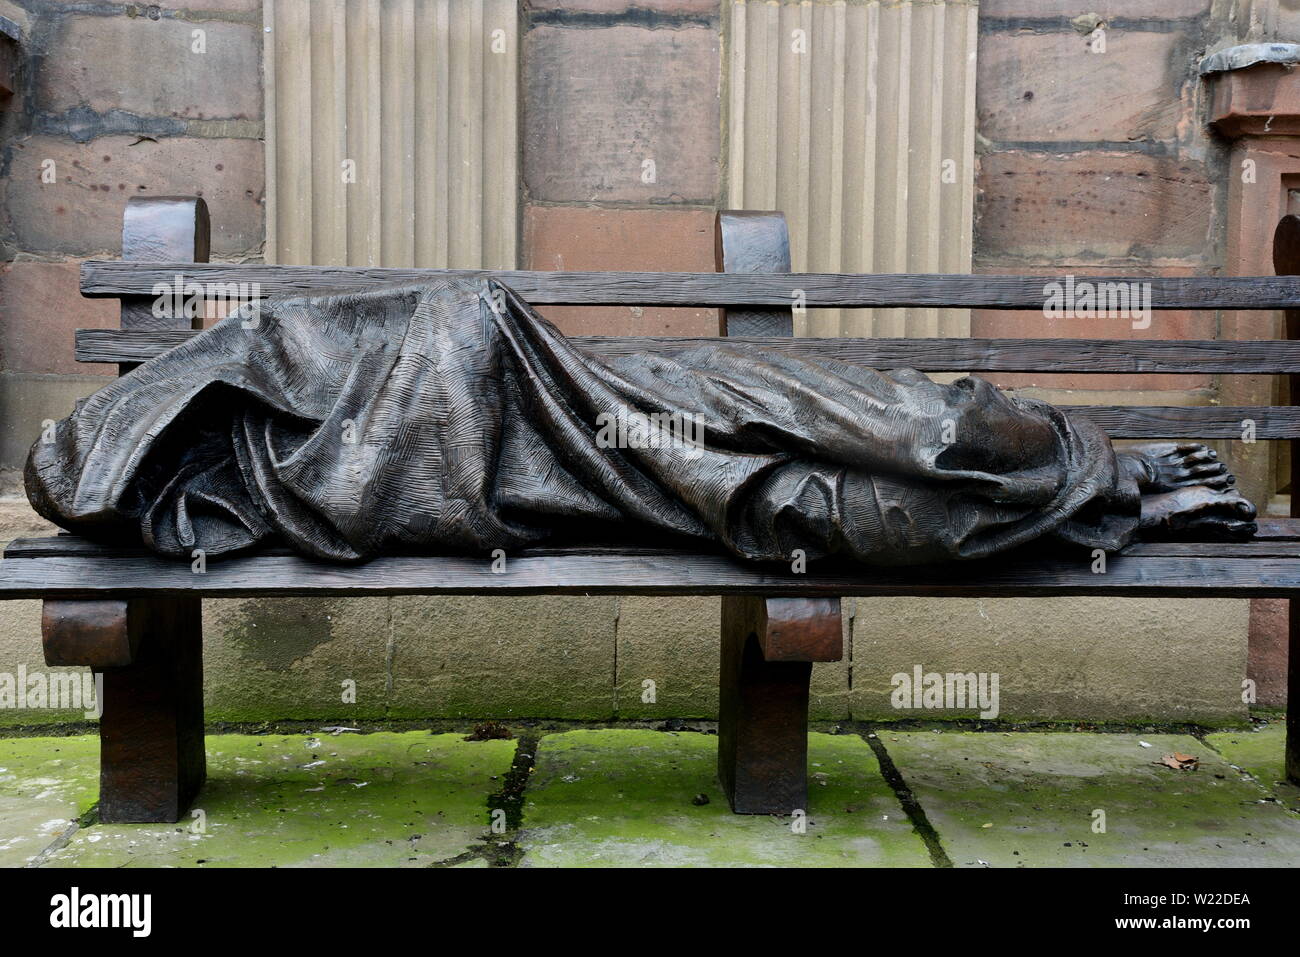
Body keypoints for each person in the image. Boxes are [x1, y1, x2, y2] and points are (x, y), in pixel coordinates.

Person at [25, 277, 1256, 565]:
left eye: (134, 464)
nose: (147, 491)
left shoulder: (263, 355)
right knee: (782, 505)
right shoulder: (252, 493)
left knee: (899, 425)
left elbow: (459, 320)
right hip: (559, 475)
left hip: (573, 387)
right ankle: (1106, 499)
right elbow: (375, 500)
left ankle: (1082, 475)